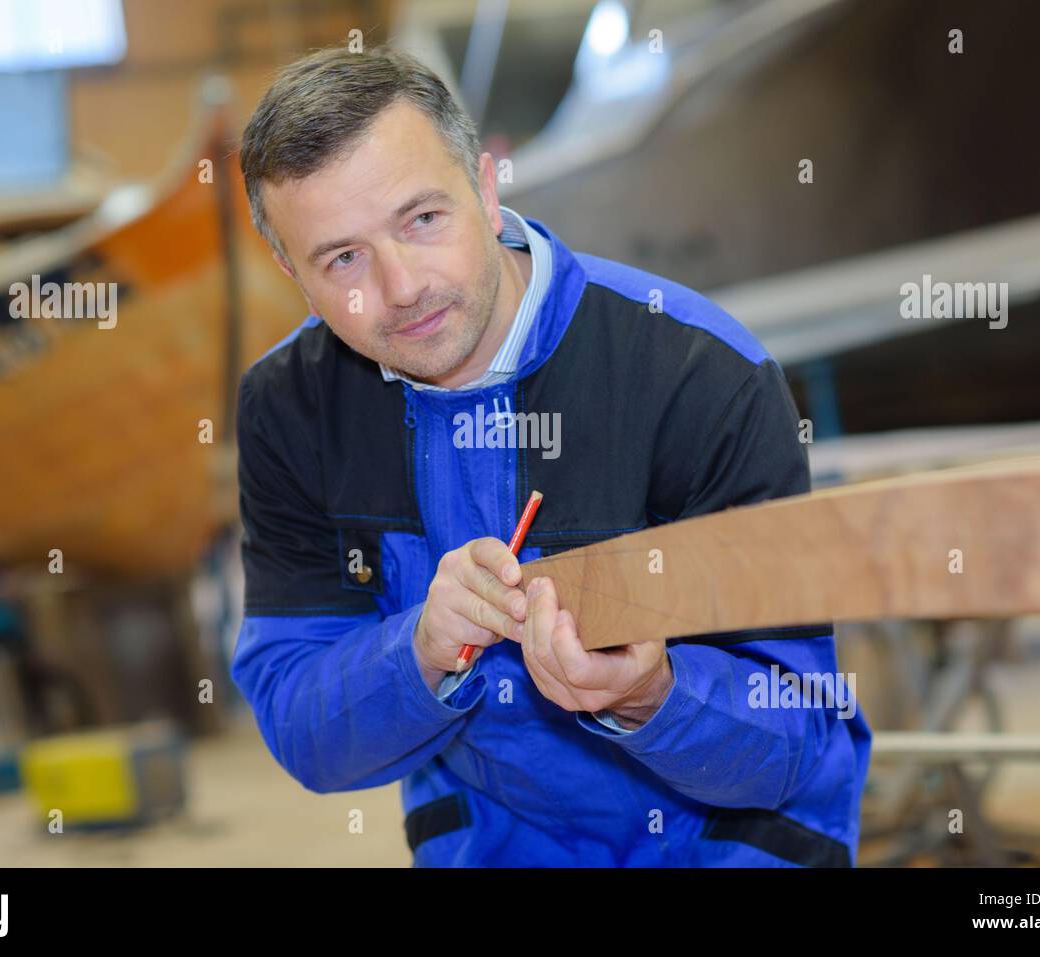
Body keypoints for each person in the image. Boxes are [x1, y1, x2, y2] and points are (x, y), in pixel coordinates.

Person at [232, 44, 871, 866]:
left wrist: (654, 696)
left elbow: (794, 732)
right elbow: (303, 729)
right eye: (342, 257)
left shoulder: (695, 371)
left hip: (732, 841)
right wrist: (420, 648)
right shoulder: (290, 408)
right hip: (494, 842)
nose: (401, 287)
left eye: (423, 219)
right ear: (291, 270)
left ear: (488, 189)